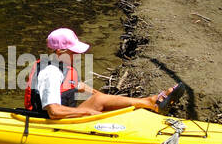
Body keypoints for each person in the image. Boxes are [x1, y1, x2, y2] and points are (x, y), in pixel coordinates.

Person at [25, 28, 185, 119]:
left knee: (101, 98)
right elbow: (54, 112)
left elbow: (80, 87)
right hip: (50, 122)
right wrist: (89, 111)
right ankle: (150, 103)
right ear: (60, 51)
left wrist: (108, 100)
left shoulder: (62, 66)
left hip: (64, 116)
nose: (78, 55)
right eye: (74, 52)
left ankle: (148, 103)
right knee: (100, 101)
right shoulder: (51, 73)